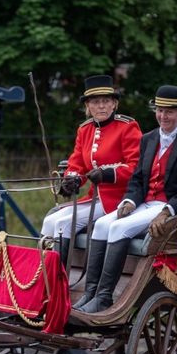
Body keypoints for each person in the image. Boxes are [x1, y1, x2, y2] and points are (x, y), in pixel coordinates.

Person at [75, 85, 177, 313]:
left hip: (169, 206)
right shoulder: (149, 138)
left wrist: (167, 211)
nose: (163, 116)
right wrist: (128, 202)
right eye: (159, 111)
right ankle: (91, 292)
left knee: (119, 228)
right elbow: (137, 179)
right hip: (144, 204)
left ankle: (105, 296)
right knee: (100, 225)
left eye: (169, 112)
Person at [40, 75, 141, 263]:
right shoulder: (84, 130)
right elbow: (76, 163)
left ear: (114, 104)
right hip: (94, 198)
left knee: (62, 223)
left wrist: (107, 174)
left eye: (106, 101)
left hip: (118, 199)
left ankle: (58, 278)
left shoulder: (127, 127)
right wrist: (72, 179)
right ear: (88, 106)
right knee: (49, 221)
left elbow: (136, 166)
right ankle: (43, 274)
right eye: (95, 102)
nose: (101, 106)